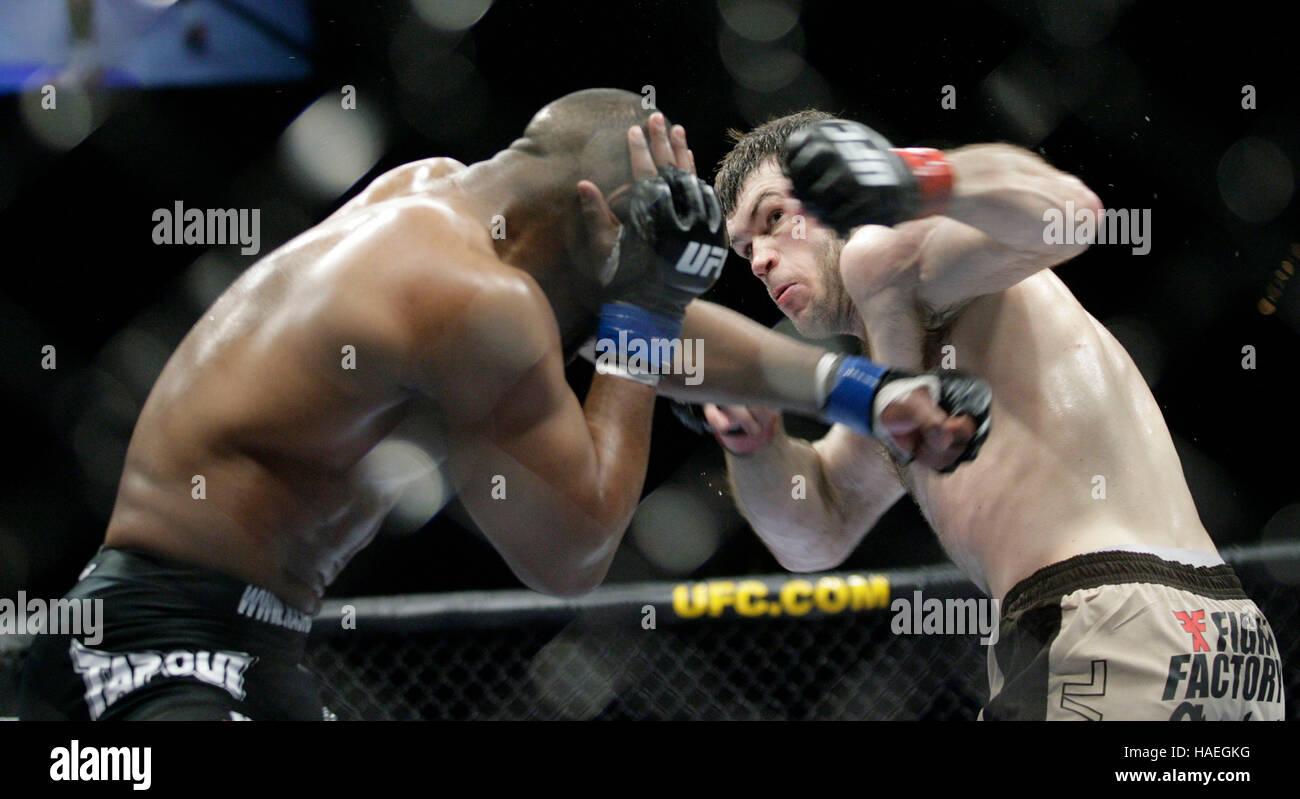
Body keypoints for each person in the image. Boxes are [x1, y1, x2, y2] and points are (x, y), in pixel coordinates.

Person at [19, 90, 985, 720]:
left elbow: (660, 331)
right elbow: (571, 555)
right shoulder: (472, 304)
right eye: (635, 254)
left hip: (219, 639)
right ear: (597, 219)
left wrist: (861, 390)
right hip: (163, 654)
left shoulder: (433, 197)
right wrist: (643, 309)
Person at [707, 112, 1285, 720]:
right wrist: (755, 443)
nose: (761, 260)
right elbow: (816, 529)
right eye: (745, 249)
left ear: (836, 184)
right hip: (1222, 640)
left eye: (773, 219)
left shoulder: (889, 251)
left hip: (1103, 620)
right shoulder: (897, 363)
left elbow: (1070, 215)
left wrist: (915, 176)